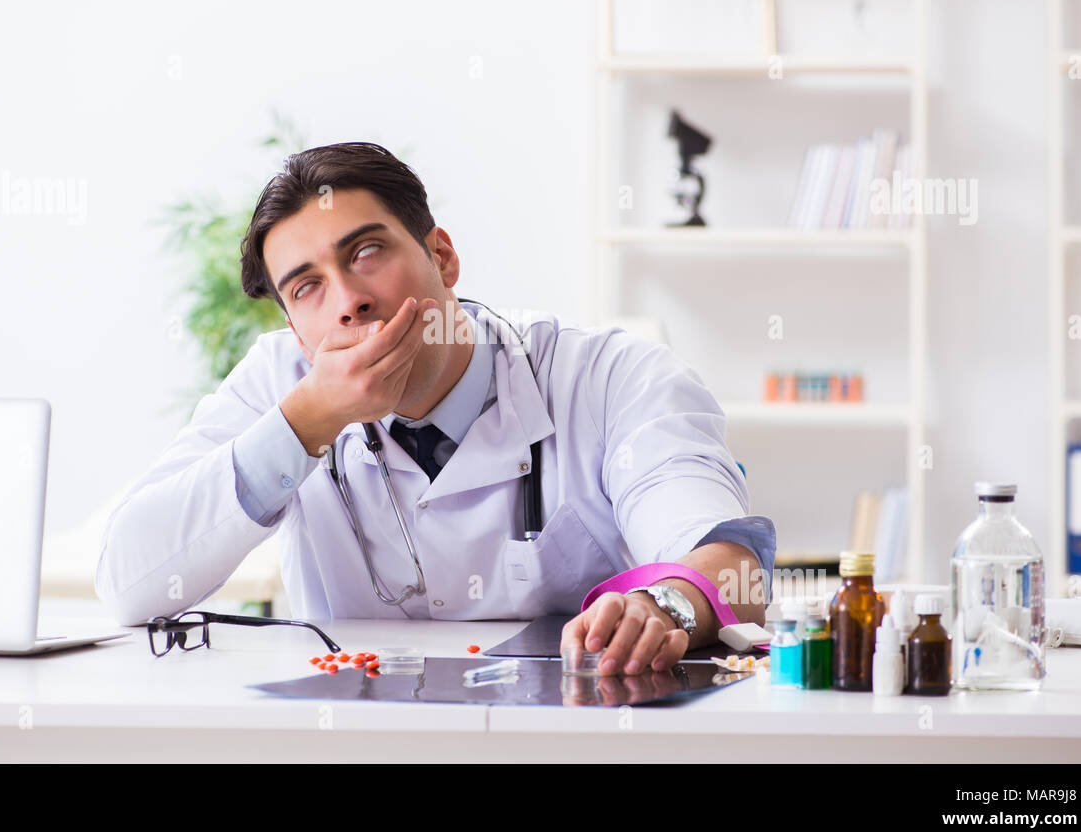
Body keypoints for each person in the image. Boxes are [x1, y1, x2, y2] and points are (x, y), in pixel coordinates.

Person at [96, 142, 776, 677]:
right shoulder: (279, 388)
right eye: (306, 288)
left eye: (366, 252)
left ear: (442, 257)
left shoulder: (609, 376)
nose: (348, 301)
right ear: (296, 331)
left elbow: (731, 561)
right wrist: (303, 426)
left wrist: (666, 604)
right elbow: (128, 582)